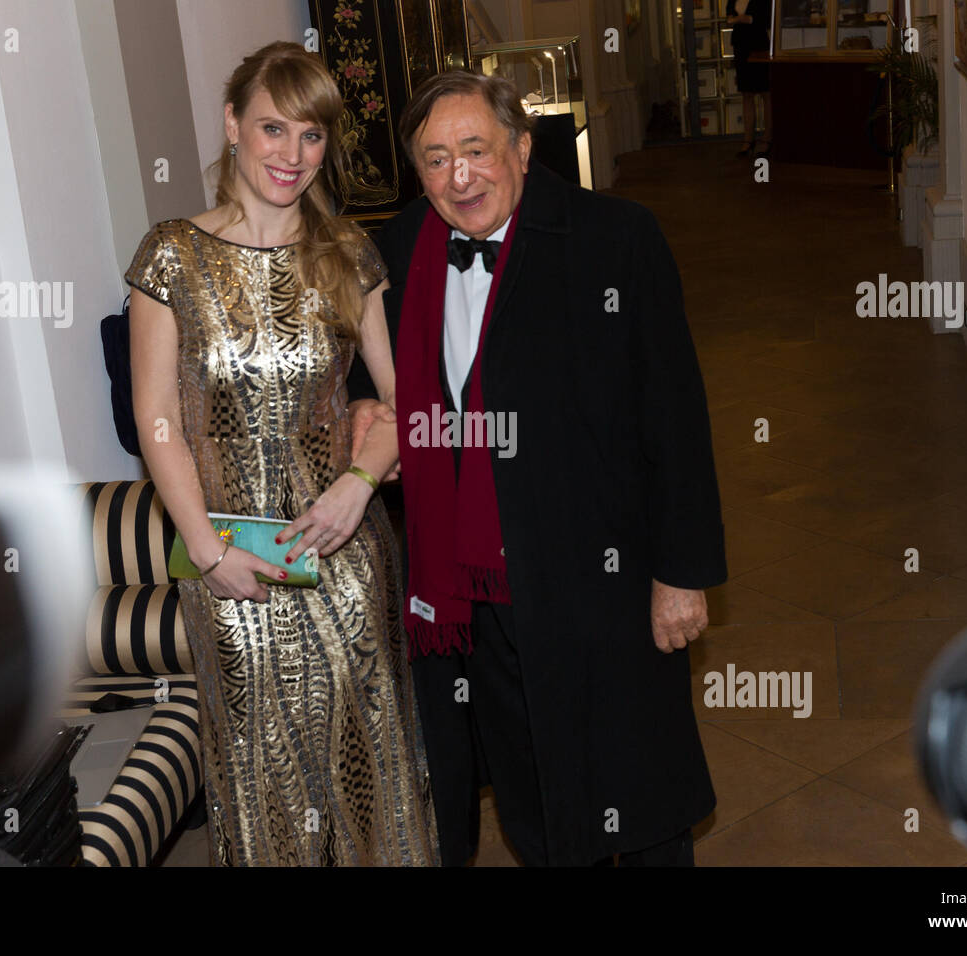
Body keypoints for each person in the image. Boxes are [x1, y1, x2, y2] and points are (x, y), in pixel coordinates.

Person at [347, 70, 727, 866]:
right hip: (475, 589)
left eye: (477, 149)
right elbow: (376, 368)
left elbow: (675, 417)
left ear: (522, 148)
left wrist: (681, 572)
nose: (460, 177)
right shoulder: (405, 245)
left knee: (635, 786)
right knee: (532, 790)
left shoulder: (616, 239)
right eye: (436, 158)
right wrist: (363, 411)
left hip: (603, 576)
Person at [124, 41, 437, 866]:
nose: (291, 157)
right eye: (272, 129)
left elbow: (409, 402)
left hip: (345, 552)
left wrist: (359, 488)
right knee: (261, 775)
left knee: (371, 766)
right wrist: (206, 549)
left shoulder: (349, 256)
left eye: (311, 137)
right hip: (226, 564)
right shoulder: (170, 256)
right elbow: (156, 421)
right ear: (232, 125)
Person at [727, 0, 773, 157]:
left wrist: (748, 19)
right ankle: (748, 139)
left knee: (766, 92)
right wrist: (737, 19)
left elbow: (768, 20)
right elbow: (729, 16)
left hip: (759, 45)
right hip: (741, 46)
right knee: (746, 93)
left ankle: (767, 137)